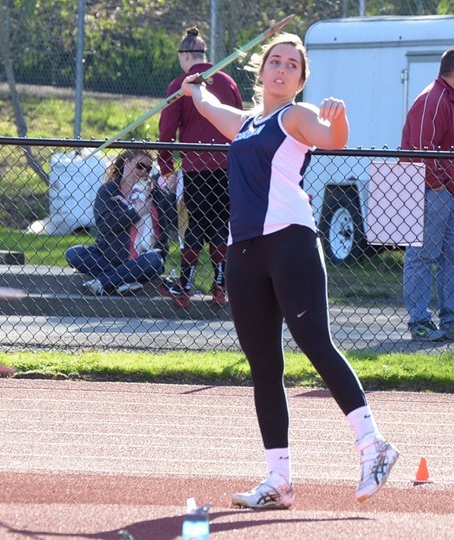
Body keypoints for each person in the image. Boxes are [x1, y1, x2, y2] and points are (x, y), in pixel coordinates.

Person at [180, 33, 399, 509]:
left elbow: (333, 139)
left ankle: (373, 445)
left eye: (292, 65)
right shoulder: (245, 124)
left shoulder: (296, 116)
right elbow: (209, 107)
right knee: (264, 366)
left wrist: (339, 118)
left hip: (289, 242)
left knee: (316, 344)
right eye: (275, 62)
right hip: (243, 251)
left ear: (300, 79)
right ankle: (278, 481)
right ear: (260, 71)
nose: (281, 70)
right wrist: (193, 88)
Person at [400, 49, 454, 343]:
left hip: (446, 193)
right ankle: (420, 322)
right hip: (432, 192)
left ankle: (453, 321)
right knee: (422, 255)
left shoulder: (451, 100)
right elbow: (421, 147)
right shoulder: (434, 99)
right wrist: (438, 184)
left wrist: (449, 188)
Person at [158, 27, 243, 309]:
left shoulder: (181, 85)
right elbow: (240, 122)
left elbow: (167, 129)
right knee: (220, 222)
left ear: (184, 55)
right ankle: (220, 286)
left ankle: (185, 285)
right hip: (227, 165)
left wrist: (166, 166)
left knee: (195, 223)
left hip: (195, 166)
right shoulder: (228, 82)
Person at [65, 149, 172, 296]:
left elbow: (170, 220)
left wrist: (172, 188)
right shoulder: (108, 191)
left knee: (154, 261)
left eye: (148, 169)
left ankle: (102, 282)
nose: (144, 172)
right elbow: (105, 224)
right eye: (140, 166)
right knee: (74, 253)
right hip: (110, 257)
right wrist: (136, 213)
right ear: (127, 163)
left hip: (145, 257)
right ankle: (127, 279)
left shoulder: (155, 192)